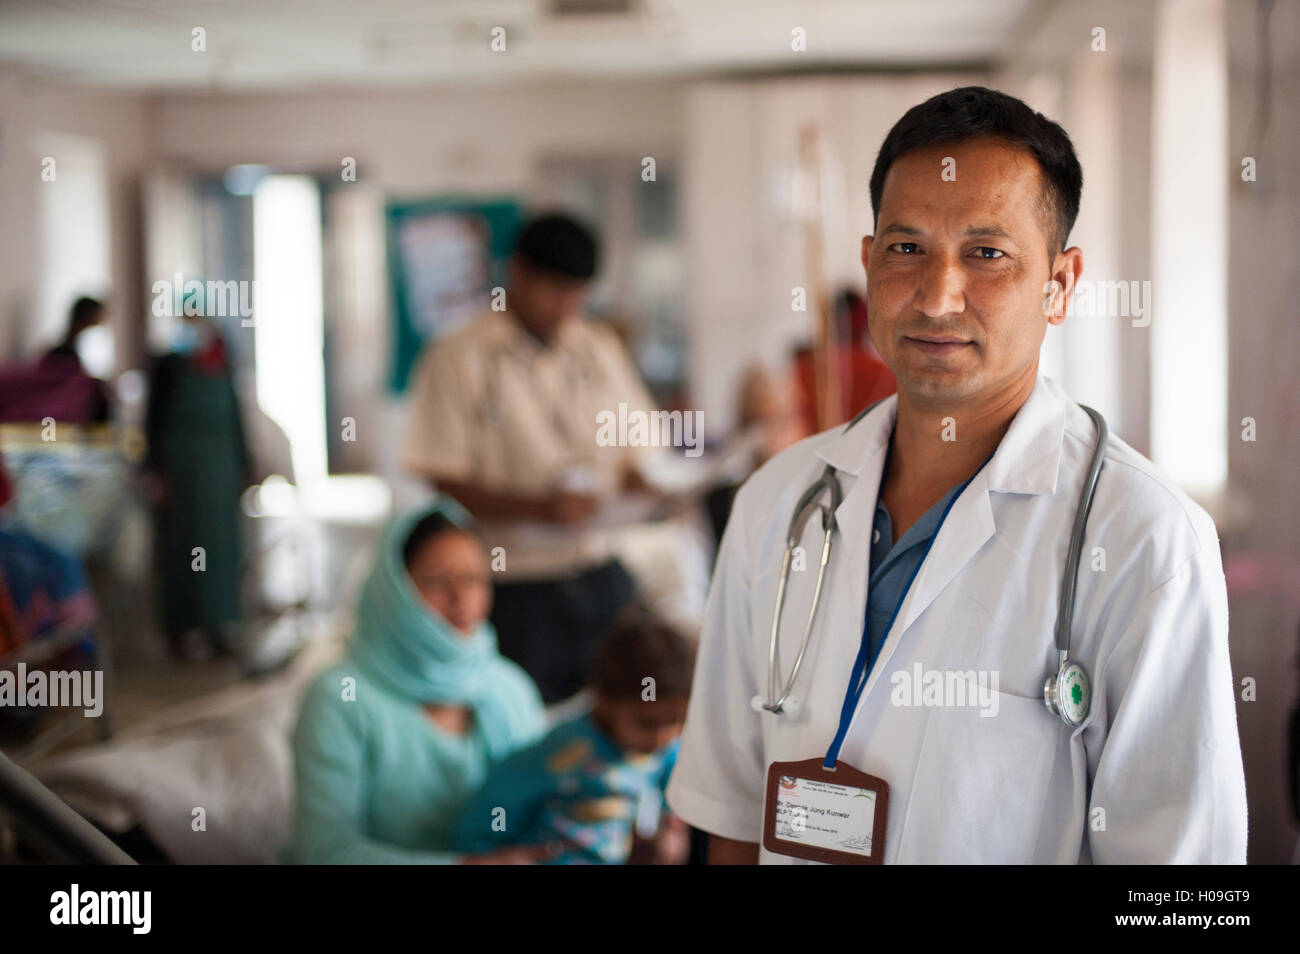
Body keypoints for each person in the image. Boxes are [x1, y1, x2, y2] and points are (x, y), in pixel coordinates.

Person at [666, 86, 1248, 864]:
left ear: (1061, 285)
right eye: (908, 249)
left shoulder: (1143, 539)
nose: (938, 296)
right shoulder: (779, 501)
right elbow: (731, 811)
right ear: (870, 264)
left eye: (987, 254)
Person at [404, 212, 659, 704]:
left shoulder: (597, 348)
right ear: (517, 274)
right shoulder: (459, 355)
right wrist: (540, 509)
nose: (568, 306)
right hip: (515, 581)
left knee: (622, 711)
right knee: (525, 722)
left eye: (578, 293)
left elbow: (636, 452)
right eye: (555, 290)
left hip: (599, 568)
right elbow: (443, 477)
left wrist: (646, 486)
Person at [283, 500, 550, 864]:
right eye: (438, 582)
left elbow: (545, 808)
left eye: (474, 579)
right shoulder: (340, 699)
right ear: (394, 590)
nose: (462, 598)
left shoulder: (510, 689)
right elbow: (326, 852)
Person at [452, 604, 692, 864]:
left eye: (677, 722)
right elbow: (501, 793)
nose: (662, 737)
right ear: (603, 700)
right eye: (647, 724)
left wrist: (672, 829)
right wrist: (485, 854)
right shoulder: (564, 751)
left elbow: (674, 778)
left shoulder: (662, 748)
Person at [143, 310, 251, 659]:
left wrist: (244, 466)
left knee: (220, 551)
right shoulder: (168, 370)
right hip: (181, 476)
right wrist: (155, 471)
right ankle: (180, 628)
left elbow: (237, 420)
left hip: (219, 477)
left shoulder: (222, 366)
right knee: (182, 551)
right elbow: (152, 423)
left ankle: (219, 625)